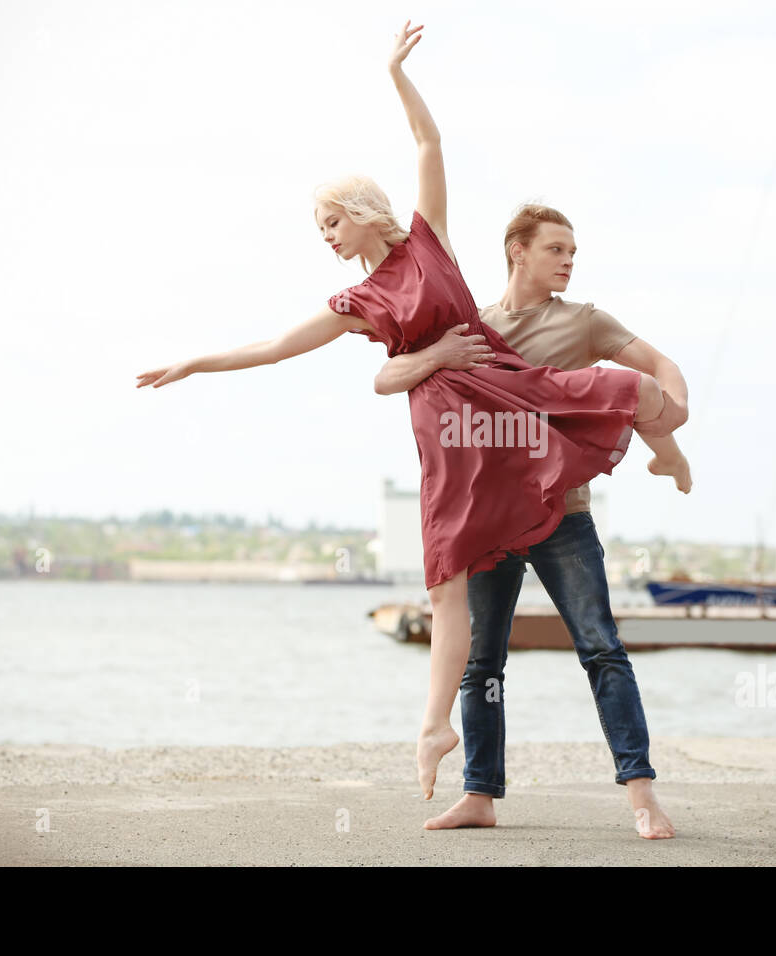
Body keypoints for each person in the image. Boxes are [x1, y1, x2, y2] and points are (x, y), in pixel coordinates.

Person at [135, 20, 689, 803]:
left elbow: (429, 143)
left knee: (625, 394)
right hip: (449, 435)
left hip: (504, 396)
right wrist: (196, 362)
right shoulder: (358, 303)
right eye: (319, 228)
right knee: (446, 591)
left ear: (362, 209)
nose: (326, 238)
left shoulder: (431, 244)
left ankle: (673, 445)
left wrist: (395, 73)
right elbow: (280, 347)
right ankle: (436, 730)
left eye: (331, 221)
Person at [373, 203, 688, 839]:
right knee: (481, 665)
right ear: (518, 250)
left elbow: (659, 366)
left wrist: (671, 422)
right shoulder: (472, 326)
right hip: (489, 524)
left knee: (602, 650)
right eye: (556, 249)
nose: (569, 260)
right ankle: (479, 796)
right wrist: (436, 354)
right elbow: (389, 377)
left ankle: (643, 798)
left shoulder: (585, 322)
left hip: (563, 516)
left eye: (572, 251)